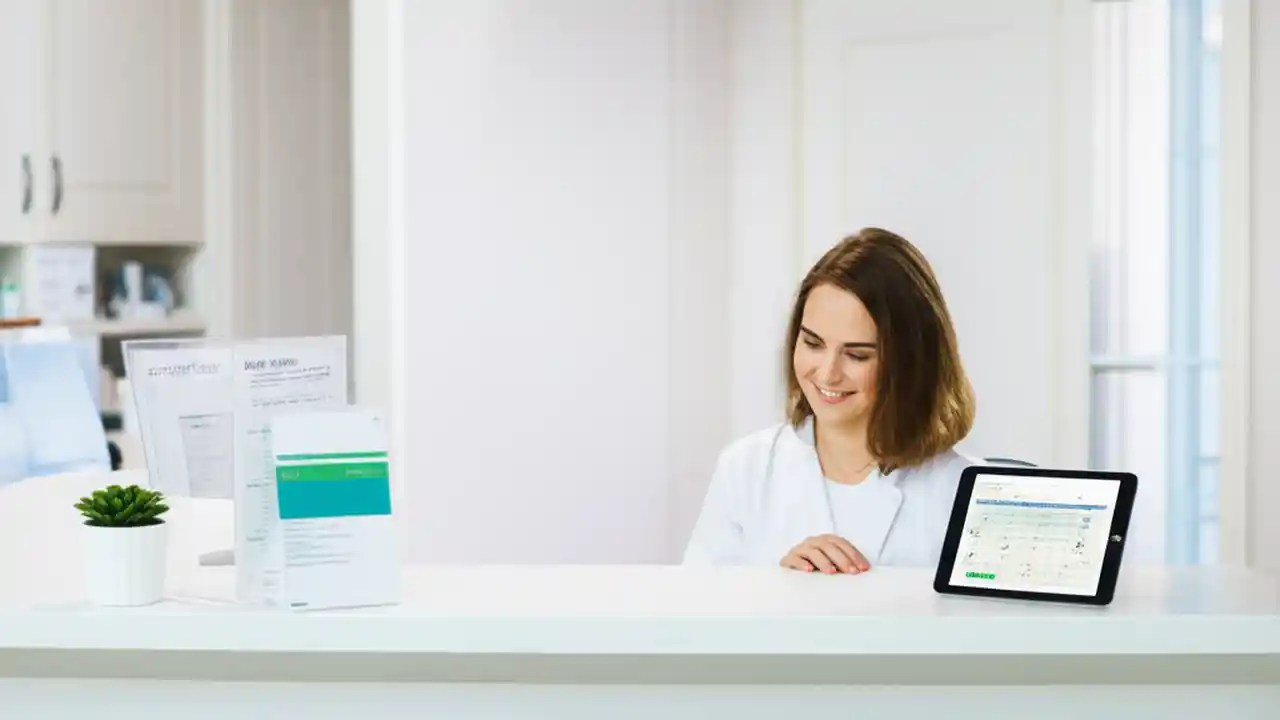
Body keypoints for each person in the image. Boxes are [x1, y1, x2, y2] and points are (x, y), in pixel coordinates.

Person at [683, 228, 977, 573]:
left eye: (857, 355)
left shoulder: (965, 492)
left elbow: (989, 625)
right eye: (813, 343)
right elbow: (700, 615)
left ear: (910, 362)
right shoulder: (746, 469)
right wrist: (775, 588)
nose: (827, 374)